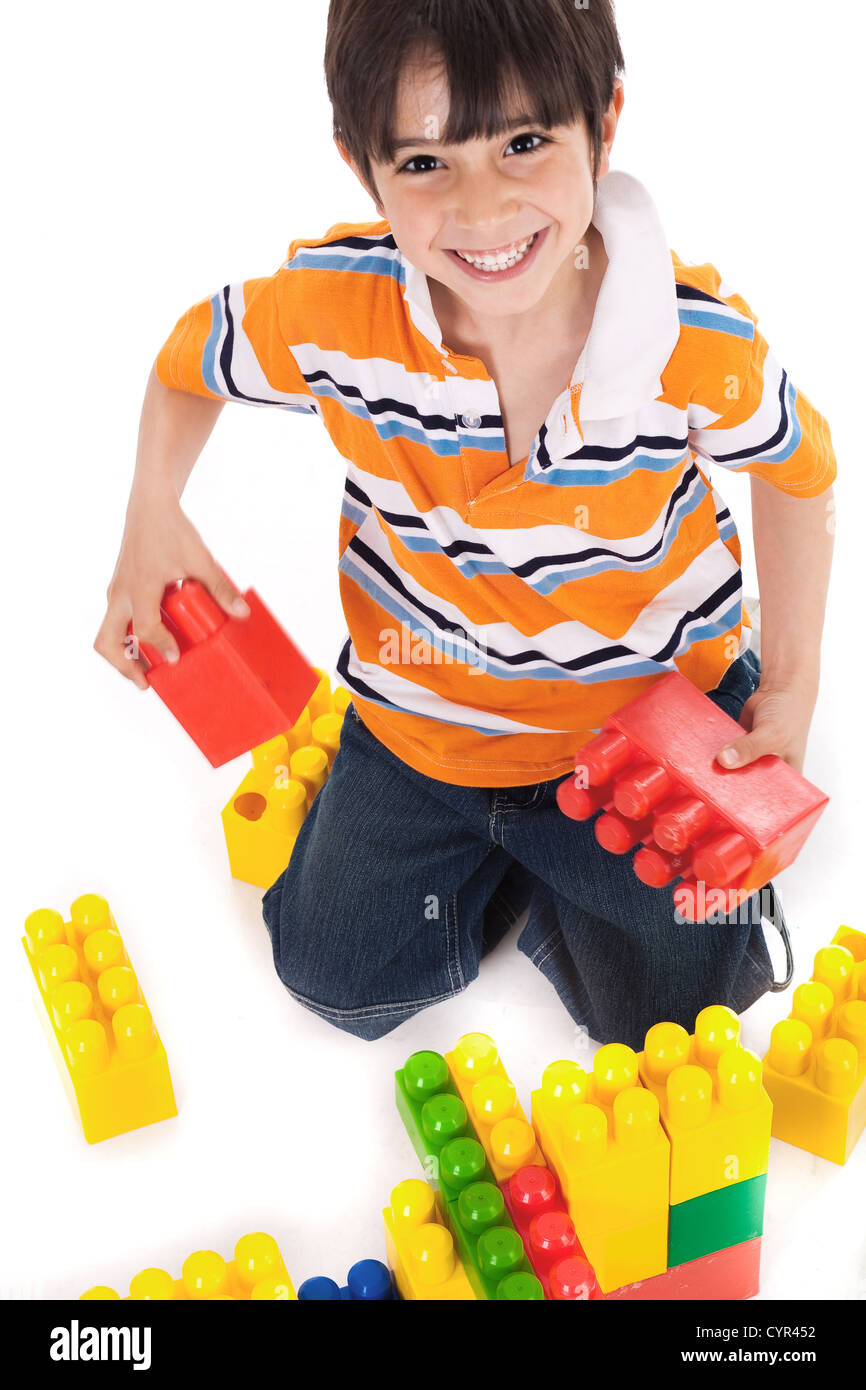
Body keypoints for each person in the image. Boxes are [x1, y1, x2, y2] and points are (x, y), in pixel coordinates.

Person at [95, 1, 835, 1048]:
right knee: (334, 983)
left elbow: (800, 472)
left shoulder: (692, 343)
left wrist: (793, 688)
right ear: (362, 167)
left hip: (636, 730)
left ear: (604, 122)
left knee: (680, 1016)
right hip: (424, 722)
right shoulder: (333, 309)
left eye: (523, 142)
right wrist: (148, 515)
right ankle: (522, 865)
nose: (483, 210)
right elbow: (187, 358)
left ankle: (562, 873)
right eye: (425, 164)